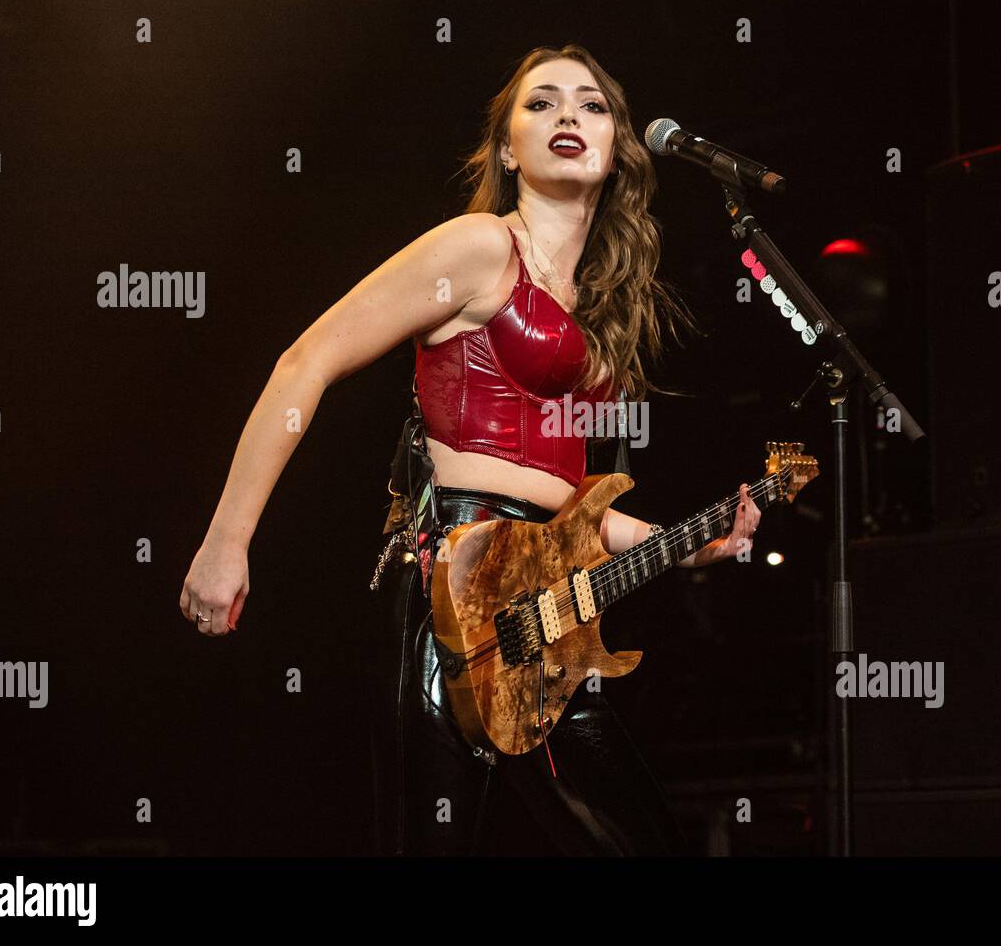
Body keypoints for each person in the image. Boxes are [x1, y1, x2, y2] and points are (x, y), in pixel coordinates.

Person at [179, 44, 762, 855]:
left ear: (620, 149)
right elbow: (305, 362)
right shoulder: (480, 247)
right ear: (504, 149)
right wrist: (226, 541)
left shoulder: (599, 307)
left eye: (592, 105)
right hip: (453, 575)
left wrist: (686, 544)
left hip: (554, 604)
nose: (567, 115)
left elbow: (568, 505)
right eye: (542, 103)